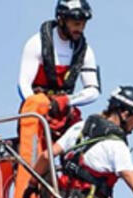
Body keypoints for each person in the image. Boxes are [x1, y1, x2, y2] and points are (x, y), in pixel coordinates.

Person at [18, 0, 100, 136]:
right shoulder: (36, 44)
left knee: (85, 137)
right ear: (61, 20)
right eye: (76, 23)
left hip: (64, 111)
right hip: (37, 112)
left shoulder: (86, 51)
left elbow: (93, 90)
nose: (80, 29)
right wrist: (44, 108)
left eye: (83, 24)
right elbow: (23, 84)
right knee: (34, 106)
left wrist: (66, 100)